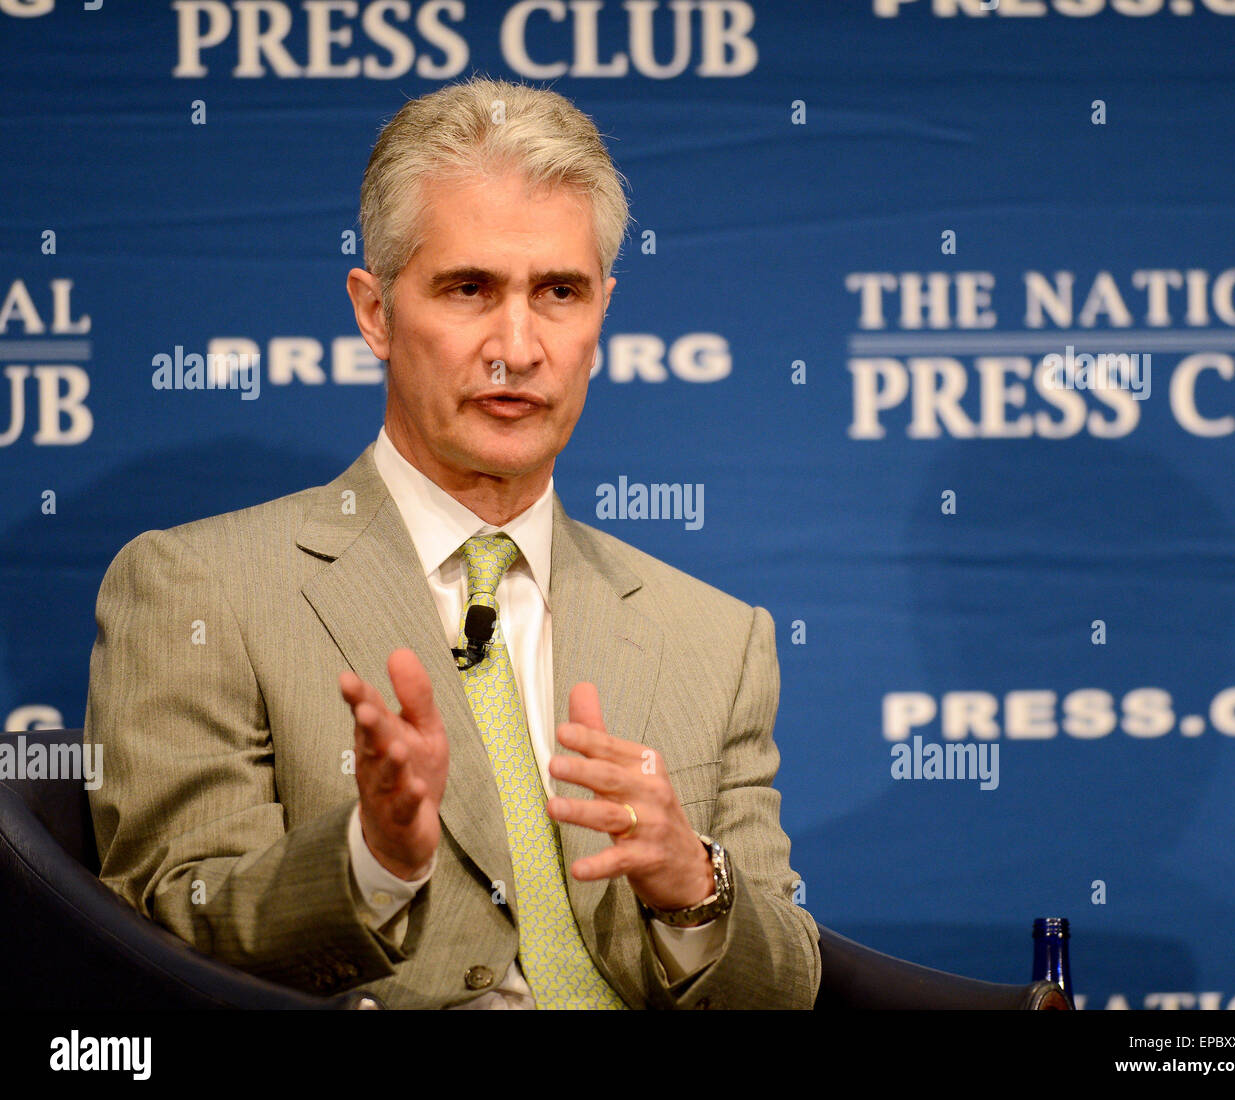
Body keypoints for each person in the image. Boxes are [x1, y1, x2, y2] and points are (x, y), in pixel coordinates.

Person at [84, 77, 819, 1009]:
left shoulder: (717, 639)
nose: (516, 346)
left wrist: (691, 888)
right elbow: (164, 924)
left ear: (603, 316)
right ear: (375, 312)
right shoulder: (199, 590)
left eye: (559, 291)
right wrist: (373, 859)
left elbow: (788, 988)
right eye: (469, 289)